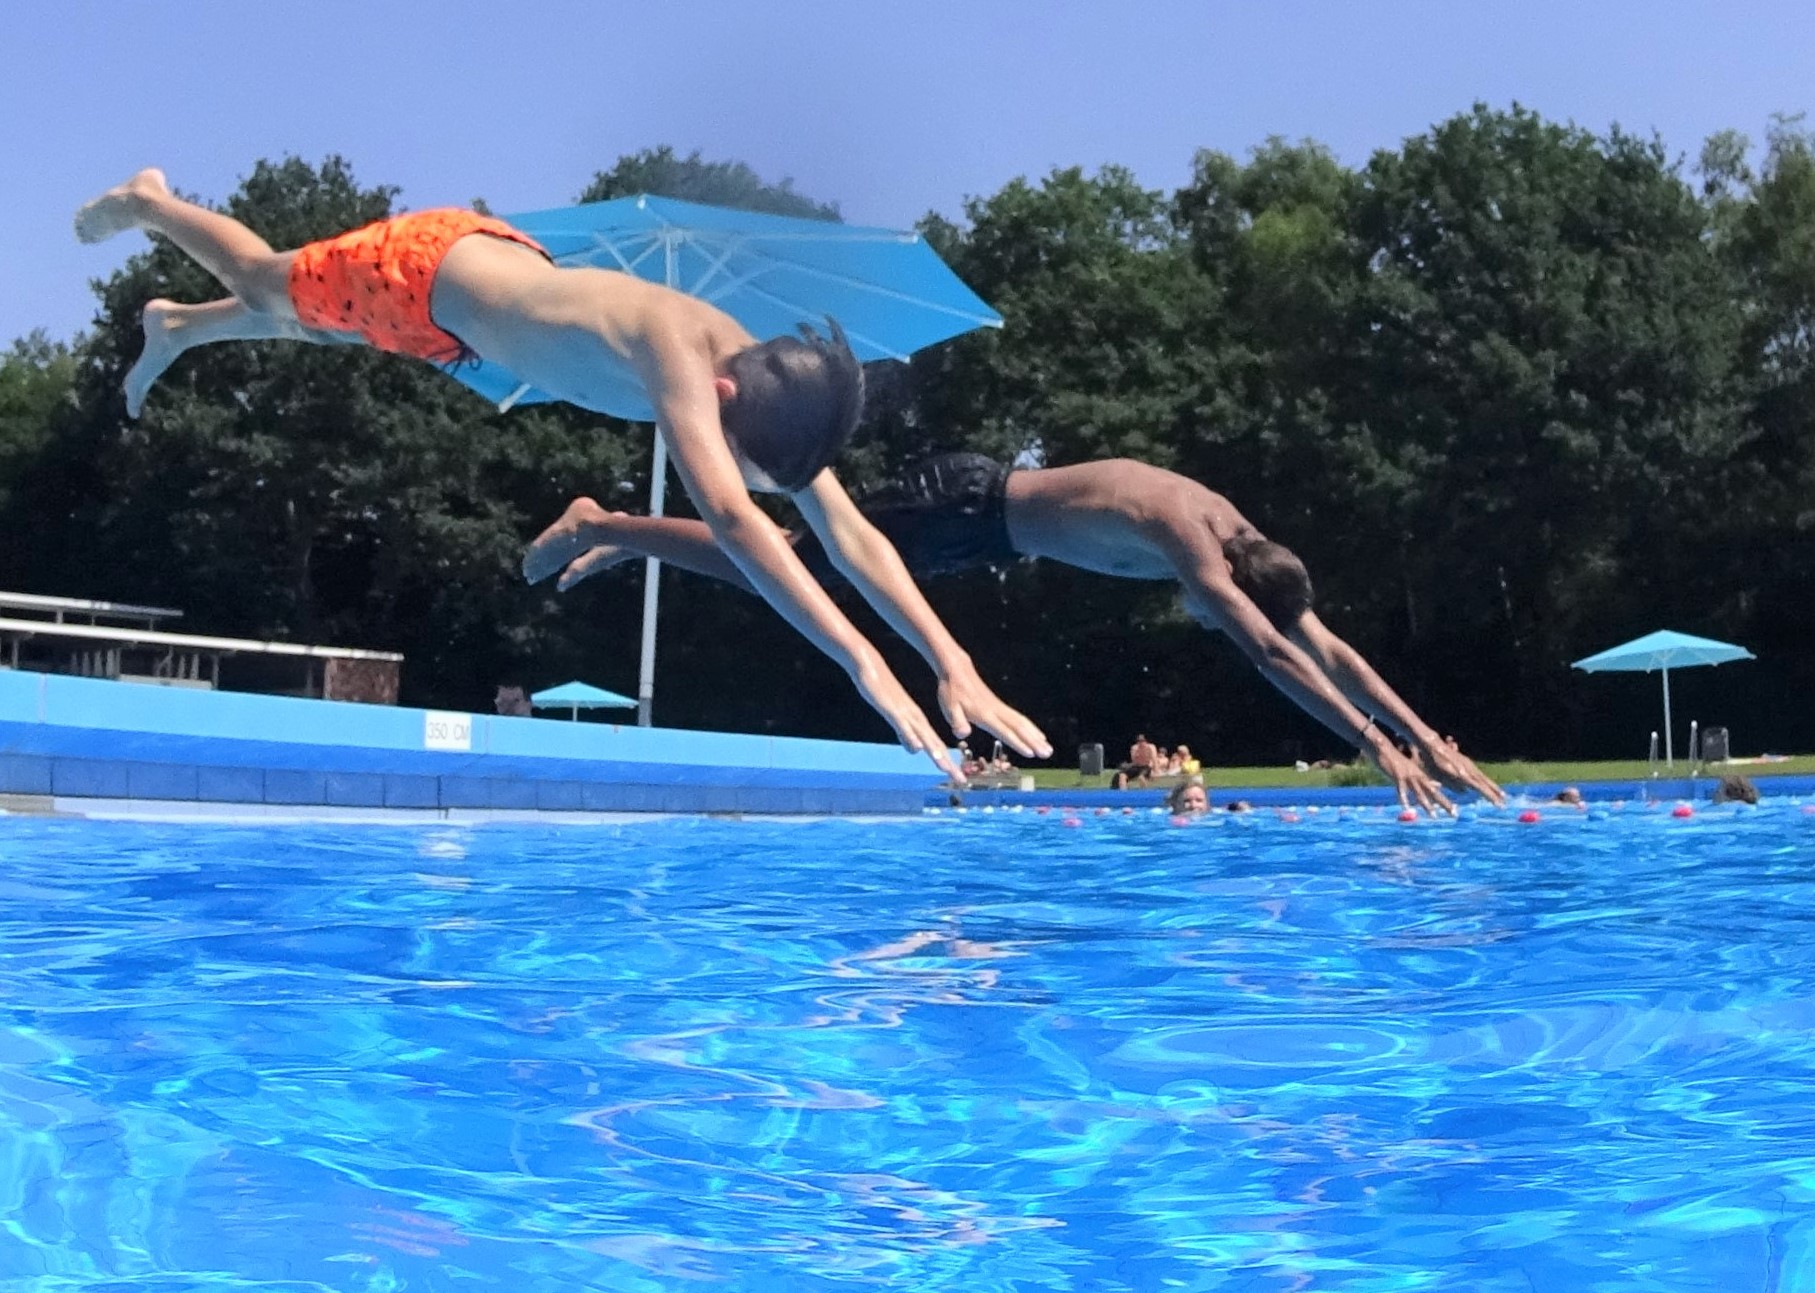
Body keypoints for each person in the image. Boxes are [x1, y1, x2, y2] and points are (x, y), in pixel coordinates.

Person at [75, 170, 1049, 779]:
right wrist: (865, 663)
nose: (750, 477)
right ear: (718, 395)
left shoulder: (766, 385)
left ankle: (175, 325)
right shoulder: (677, 351)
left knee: (310, 320)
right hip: (426, 268)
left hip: (456, 313)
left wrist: (950, 659)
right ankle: (154, 201)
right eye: (744, 458)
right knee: (266, 284)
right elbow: (732, 520)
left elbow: (851, 533)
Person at [534, 454, 1502, 813]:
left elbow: (1325, 645)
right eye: (1218, 610)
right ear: (1230, 588)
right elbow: (1271, 650)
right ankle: (608, 522)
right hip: (959, 506)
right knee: (788, 561)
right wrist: (1374, 747)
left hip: (979, 527)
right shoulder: (1191, 536)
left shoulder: (1246, 543)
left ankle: (627, 536)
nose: (1205, 619)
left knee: (788, 565)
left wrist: (1426, 738)